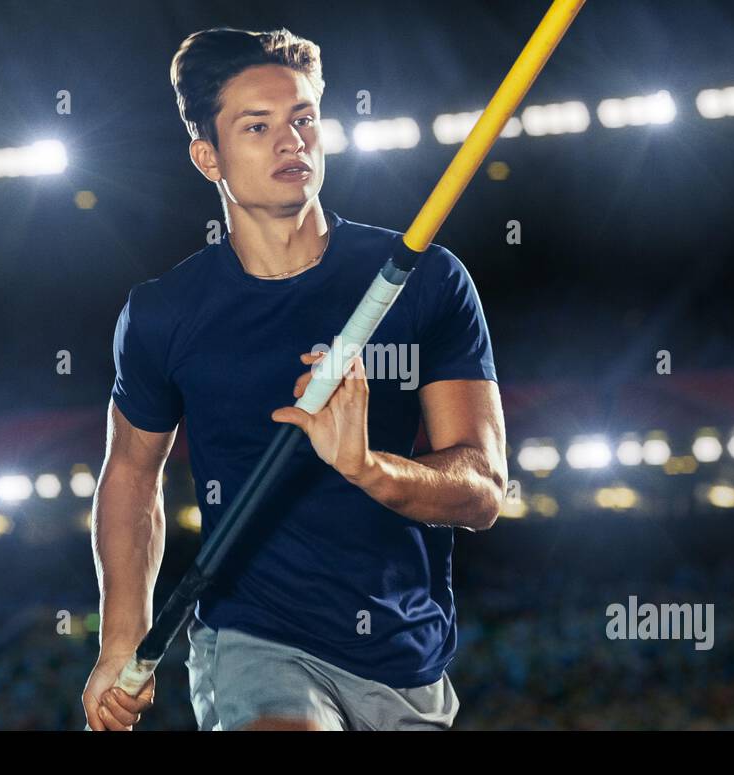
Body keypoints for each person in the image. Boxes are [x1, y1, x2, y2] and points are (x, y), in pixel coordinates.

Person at [83, 26, 506, 731]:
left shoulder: (427, 280)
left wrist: (368, 467)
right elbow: (130, 473)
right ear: (207, 156)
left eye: (304, 119)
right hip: (253, 639)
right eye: (258, 126)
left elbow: (483, 491)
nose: (292, 142)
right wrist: (120, 638)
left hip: (404, 654)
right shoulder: (164, 314)